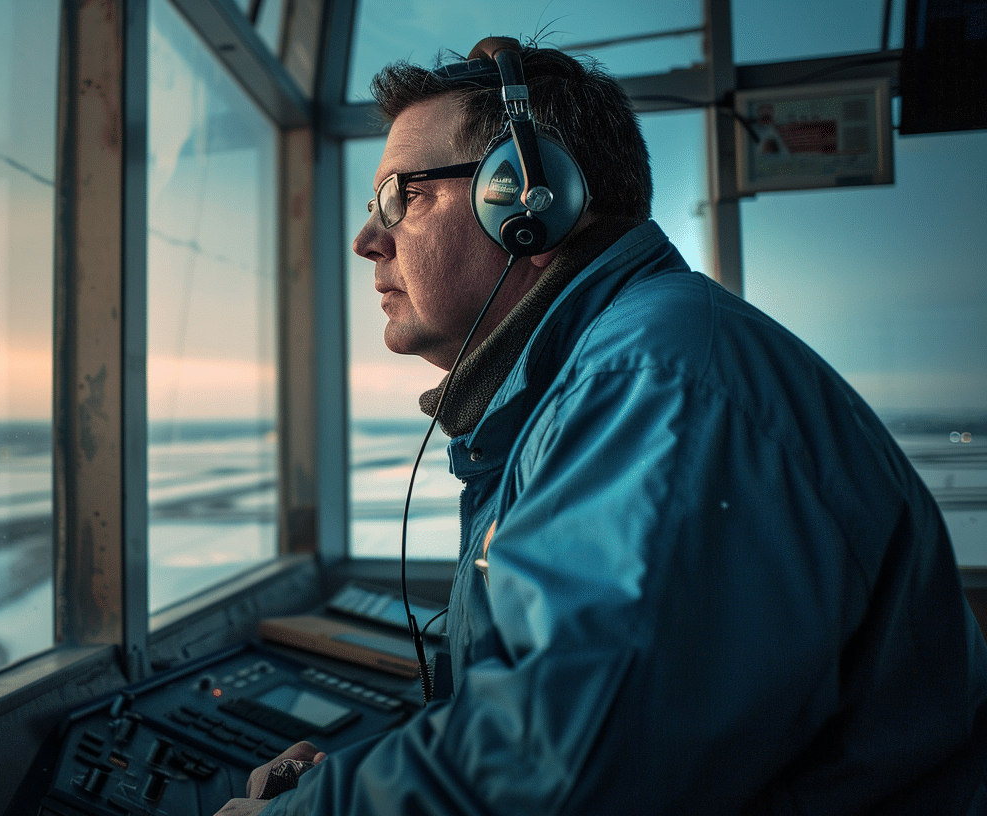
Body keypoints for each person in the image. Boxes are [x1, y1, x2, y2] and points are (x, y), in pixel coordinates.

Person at [216, 38, 987, 815]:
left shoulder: (656, 387)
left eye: (400, 196)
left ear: (527, 199)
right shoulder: (589, 383)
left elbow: (567, 769)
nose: (367, 240)